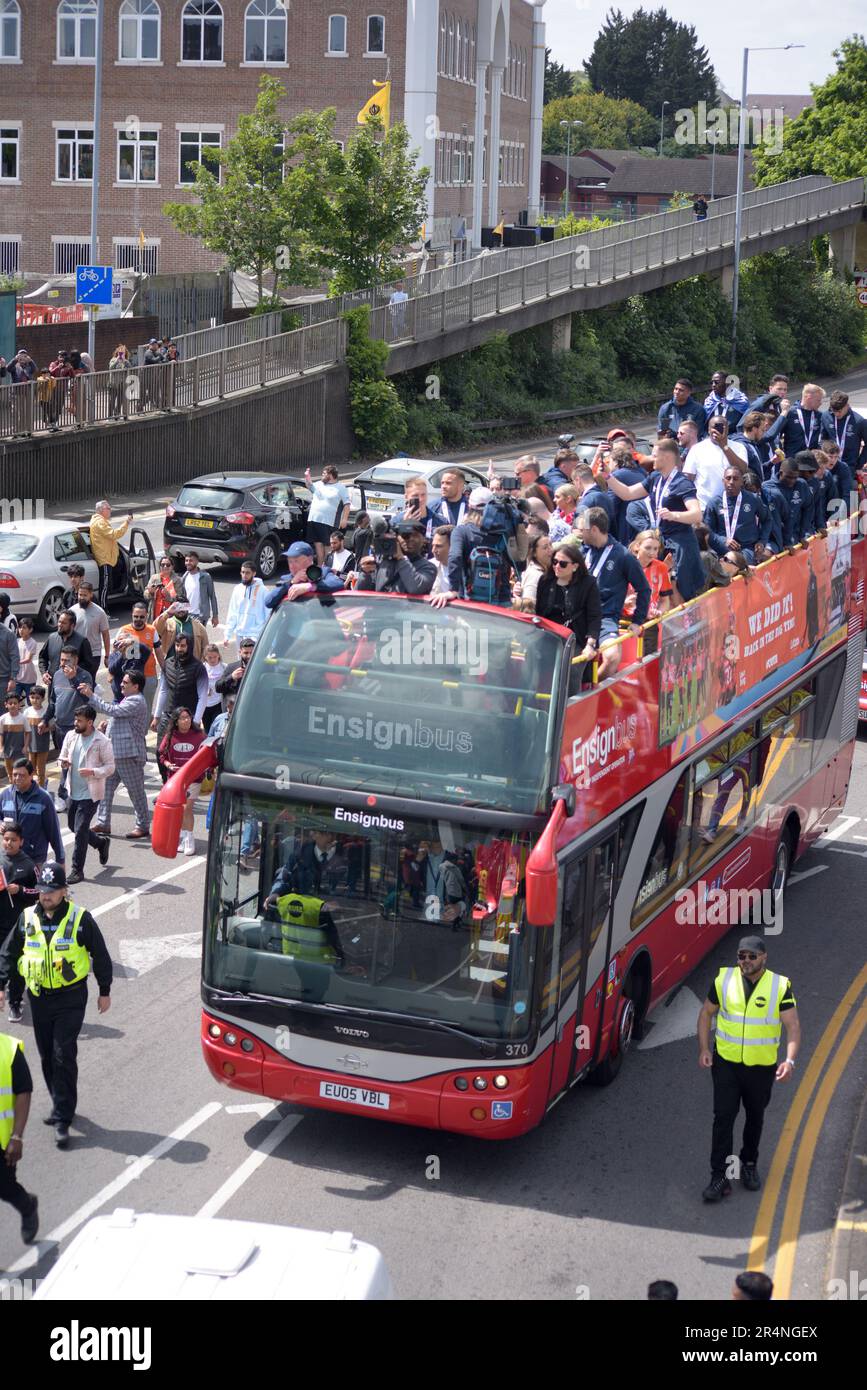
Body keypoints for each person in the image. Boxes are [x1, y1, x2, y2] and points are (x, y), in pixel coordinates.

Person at [0, 861, 112, 1149]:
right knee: (48, 1056)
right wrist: (1, 986)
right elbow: (9, 953)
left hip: (70, 998)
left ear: (64, 890)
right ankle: (61, 1103)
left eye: (51, 891)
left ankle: (62, 1116)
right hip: (39, 998)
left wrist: (104, 989)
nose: (45, 896)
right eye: (42, 890)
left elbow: (99, 953)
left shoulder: (79, 919)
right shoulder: (27, 918)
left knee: (63, 1054)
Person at [698, 935, 799, 1202]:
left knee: (755, 1117)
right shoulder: (724, 980)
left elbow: (793, 1026)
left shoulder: (779, 986)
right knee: (723, 1118)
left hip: (761, 1068)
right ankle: (719, 1176)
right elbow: (707, 1012)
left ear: (763, 957)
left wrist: (788, 1061)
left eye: (751, 956)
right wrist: (705, 1049)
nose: (745, 961)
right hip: (726, 1065)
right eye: (741, 956)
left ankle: (749, 1163)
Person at [606, 438, 705, 602]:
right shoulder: (655, 478)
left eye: (654, 455)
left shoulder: (682, 483)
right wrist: (608, 476)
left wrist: (674, 515)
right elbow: (627, 494)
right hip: (661, 542)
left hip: (680, 545)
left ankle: (687, 625)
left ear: (666, 457)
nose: (651, 459)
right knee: (661, 591)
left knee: (679, 592)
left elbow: (696, 515)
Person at [582, 507, 650, 680]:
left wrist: (637, 620)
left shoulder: (623, 556)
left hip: (605, 618)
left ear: (594, 529)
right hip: (578, 615)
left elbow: (644, 589)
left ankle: (591, 692)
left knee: (612, 657)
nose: (580, 532)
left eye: (583, 529)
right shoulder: (582, 551)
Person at [83, 671, 151, 842]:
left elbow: (112, 710)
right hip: (116, 753)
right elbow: (119, 717)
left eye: (126, 682)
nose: (121, 684)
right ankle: (103, 822)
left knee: (136, 792)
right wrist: (108, 725)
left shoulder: (137, 700)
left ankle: (142, 826)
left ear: (136, 686)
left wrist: (91, 695)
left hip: (128, 754)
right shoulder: (129, 699)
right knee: (105, 789)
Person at [59, 704, 113, 884]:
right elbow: (62, 756)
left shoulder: (102, 741)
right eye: (75, 719)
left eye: (79, 721)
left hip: (90, 793)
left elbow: (110, 767)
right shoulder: (70, 736)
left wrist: (93, 772)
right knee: (74, 827)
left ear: (90, 722)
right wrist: (64, 763)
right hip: (73, 790)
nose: (76, 723)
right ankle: (100, 843)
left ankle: (77, 870)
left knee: (81, 829)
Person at [535, 543, 602, 680]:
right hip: (547, 635)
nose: (557, 566)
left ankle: (570, 701)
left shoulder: (588, 584)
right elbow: (538, 613)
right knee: (531, 660)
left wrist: (590, 645)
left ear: (575, 566)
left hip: (575, 638)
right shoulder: (545, 580)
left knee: (571, 669)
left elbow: (594, 616)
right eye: (554, 562)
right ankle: (529, 698)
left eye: (563, 564)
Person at [151, 634, 207, 780]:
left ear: (189, 646)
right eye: (177, 645)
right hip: (168, 716)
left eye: (183, 646)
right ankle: (166, 786)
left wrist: (195, 721)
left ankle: (185, 788)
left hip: (187, 719)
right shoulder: (167, 664)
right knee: (160, 752)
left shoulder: (198, 668)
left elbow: (202, 696)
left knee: (186, 756)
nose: (179, 649)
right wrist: (156, 716)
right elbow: (163, 690)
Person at [0, 1029, 39, 1242]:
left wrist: (17, 1137)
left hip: (2, 1142)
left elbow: (24, 1090)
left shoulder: (9, 1049)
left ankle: (27, 1206)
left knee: (6, 1188)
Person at [0, 822, 37, 1023]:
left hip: (19, 926)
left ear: (21, 841)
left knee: (16, 966)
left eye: (13, 840)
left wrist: (21, 891)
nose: (9, 843)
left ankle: (15, 1003)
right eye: (6, 839)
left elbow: (41, 891)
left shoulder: (29, 865)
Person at [0, 759, 64, 872]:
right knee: (11, 889)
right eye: (15, 775)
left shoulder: (43, 798)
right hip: (10, 857)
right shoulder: (5, 795)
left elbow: (54, 832)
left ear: (31, 775)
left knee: (33, 889)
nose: (17, 778)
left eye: (22, 775)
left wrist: (60, 860)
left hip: (34, 860)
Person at [158, 708, 205, 856]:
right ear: (176, 722)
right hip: (176, 780)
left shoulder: (199, 736)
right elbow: (162, 755)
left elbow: (207, 754)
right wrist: (167, 765)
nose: (186, 720)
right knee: (180, 810)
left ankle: (190, 839)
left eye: (188, 717)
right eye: (183, 718)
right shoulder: (170, 736)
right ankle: (184, 837)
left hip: (193, 779)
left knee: (187, 809)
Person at [704, 465, 772, 564]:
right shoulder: (714, 503)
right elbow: (707, 531)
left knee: (734, 563)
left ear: (741, 482)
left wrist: (762, 541)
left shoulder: (753, 499)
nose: (731, 482)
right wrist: (723, 540)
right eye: (728, 478)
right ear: (723, 481)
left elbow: (767, 520)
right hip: (721, 549)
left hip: (746, 549)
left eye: (735, 479)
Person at [683, 415, 748, 511]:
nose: (717, 430)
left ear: (727, 429)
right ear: (708, 430)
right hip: (705, 507)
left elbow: (743, 470)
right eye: (714, 427)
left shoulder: (739, 447)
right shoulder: (697, 449)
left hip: (733, 507)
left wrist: (724, 446)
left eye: (721, 427)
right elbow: (688, 479)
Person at [355, 521, 437, 595]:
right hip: (380, 609)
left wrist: (401, 558)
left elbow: (415, 588)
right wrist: (365, 574)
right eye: (405, 536)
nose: (411, 539)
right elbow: (360, 592)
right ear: (396, 538)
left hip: (408, 611)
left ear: (424, 540)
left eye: (415, 536)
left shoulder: (429, 568)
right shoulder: (383, 562)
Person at [112, 602, 164, 712]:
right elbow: (115, 653)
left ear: (147, 615)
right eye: (136, 616)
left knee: (146, 709)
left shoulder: (152, 630)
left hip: (149, 675)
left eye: (142, 617)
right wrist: (110, 673)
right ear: (132, 615)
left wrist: (164, 669)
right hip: (130, 678)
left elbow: (158, 651)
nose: (138, 619)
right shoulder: (123, 630)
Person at [265, 542, 344, 609]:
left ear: (309, 560)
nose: (292, 566)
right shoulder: (287, 579)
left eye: (296, 561)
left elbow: (338, 583)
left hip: (321, 620)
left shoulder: (323, 572)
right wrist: (291, 583)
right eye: (290, 561)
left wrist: (311, 586)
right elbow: (268, 602)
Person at [89, 501, 133, 611]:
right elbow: (114, 534)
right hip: (104, 559)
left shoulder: (98, 521)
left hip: (108, 558)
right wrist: (126, 522)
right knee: (104, 586)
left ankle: (105, 608)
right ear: (101, 510)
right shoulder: (100, 523)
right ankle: (104, 610)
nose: (110, 510)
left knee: (107, 584)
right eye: (108, 508)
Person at [304, 464, 350, 565]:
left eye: (324, 474)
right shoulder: (319, 484)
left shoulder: (341, 488)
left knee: (328, 549)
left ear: (331, 475)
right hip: (314, 519)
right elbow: (310, 486)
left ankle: (328, 569)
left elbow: (347, 505)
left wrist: (344, 519)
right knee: (318, 548)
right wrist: (307, 477)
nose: (322, 475)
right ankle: (320, 569)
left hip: (329, 522)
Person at [764, 383, 825, 458]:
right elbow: (777, 435)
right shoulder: (789, 413)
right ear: (809, 398)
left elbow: (824, 438)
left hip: (812, 460)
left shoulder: (820, 416)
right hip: (793, 461)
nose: (821, 403)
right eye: (818, 400)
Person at [624, 530, 673, 622]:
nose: (652, 552)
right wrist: (624, 603)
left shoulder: (661, 568)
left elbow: (665, 600)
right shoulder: (625, 565)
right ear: (637, 546)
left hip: (649, 621)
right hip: (625, 619)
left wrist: (659, 612)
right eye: (648, 548)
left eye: (655, 549)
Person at [39, 610, 94, 690]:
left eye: (64, 623)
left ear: (72, 625)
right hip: (53, 685)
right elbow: (42, 657)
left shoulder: (82, 641)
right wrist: (44, 673)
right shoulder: (52, 638)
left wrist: (74, 671)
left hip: (72, 686)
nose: (60, 625)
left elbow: (89, 664)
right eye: (59, 622)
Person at [821, 389, 866, 481]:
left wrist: (859, 464)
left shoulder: (859, 421)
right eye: (834, 411)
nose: (837, 414)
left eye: (839, 411)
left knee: (852, 493)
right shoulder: (825, 416)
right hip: (829, 466)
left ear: (847, 406)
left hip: (850, 467)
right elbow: (822, 440)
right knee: (831, 493)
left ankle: (853, 495)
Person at [69, 581, 110, 677]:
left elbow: (106, 635)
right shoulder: (72, 611)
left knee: (89, 682)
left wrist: (107, 655)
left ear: (91, 595)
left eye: (85, 595)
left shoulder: (100, 612)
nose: (81, 597)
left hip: (93, 654)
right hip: (76, 653)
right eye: (80, 594)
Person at [224, 561, 271, 645]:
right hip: (240, 634)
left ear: (254, 573)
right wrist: (227, 635)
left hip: (255, 634)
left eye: (247, 573)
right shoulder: (237, 589)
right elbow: (232, 612)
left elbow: (268, 614)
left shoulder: (263, 591)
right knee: (241, 658)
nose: (244, 576)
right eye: (243, 572)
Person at [178, 551, 219, 627]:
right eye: (186, 560)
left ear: (197, 562)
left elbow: (212, 597)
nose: (188, 563)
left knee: (197, 638)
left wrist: (215, 616)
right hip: (187, 614)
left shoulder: (205, 577)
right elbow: (182, 597)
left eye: (191, 560)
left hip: (200, 616)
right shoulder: (185, 577)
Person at [514, 533, 552, 612]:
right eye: (545, 548)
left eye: (550, 545)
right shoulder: (535, 575)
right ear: (534, 553)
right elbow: (529, 605)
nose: (550, 550)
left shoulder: (546, 570)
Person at [23, 689, 50, 788]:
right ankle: (32, 788)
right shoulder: (27, 712)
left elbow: (53, 726)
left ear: (43, 699)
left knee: (41, 770)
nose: (34, 700)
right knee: (31, 769)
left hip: (42, 746)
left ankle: (41, 789)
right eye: (32, 697)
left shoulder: (46, 712)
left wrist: (46, 729)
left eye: (38, 698)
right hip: (30, 746)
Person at [214, 637, 255, 702]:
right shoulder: (232, 667)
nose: (249, 656)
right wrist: (231, 677)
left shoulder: (261, 667)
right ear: (240, 652)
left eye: (252, 653)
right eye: (246, 653)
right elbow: (218, 688)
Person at [1, 691, 29, 782]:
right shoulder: (2, 719)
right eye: (10, 703)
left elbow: (27, 733)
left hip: (19, 751)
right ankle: (13, 792)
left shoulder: (23, 718)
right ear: (6, 705)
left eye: (15, 703)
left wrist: (25, 746)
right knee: (10, 773)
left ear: (19, 704)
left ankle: (20, 791)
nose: (13, 705)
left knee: (19, 772)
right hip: (7, 751)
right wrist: (1, 747)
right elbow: (1, 734)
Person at [145, 556, 180, 622]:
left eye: (168, 565)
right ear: (160, 566)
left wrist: (168, 595)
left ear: (172, 567)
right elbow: (145, 594)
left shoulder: (177, 580)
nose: (165, 567)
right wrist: (150, 592)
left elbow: (179, 598)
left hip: (170, 615)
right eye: (162, 565)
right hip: (155, 613)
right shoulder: (154, 578)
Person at [202, 643, 226, 733]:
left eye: (215, 657)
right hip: (205, 705)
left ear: (219, 656)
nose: (212, 660)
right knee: (207, 730)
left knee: (217, 728)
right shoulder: (202, 668)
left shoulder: (224, 667)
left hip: (219, 703)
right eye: (210, 658)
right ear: (205, 657)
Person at [16, 618, 38, 703]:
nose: (21, 630)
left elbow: (28, 659)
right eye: (20, 627)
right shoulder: (17, 641)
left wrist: (16, 662)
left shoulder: (32, 642)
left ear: (30, 630)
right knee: (15, 699)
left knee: (31, 702)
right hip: (18, 678)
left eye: (24, 628)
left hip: (29, 679)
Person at [429, 525, 454, 595]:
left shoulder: (467, 572)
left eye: (438, 546)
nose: (433, 550)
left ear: (453, 546)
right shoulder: (429, 566)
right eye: (433, 545)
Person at [0, 613, 19, 700]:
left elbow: (15, 657)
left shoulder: (8, 634)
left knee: (4, 710)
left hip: (4, 680)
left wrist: (12, 678)